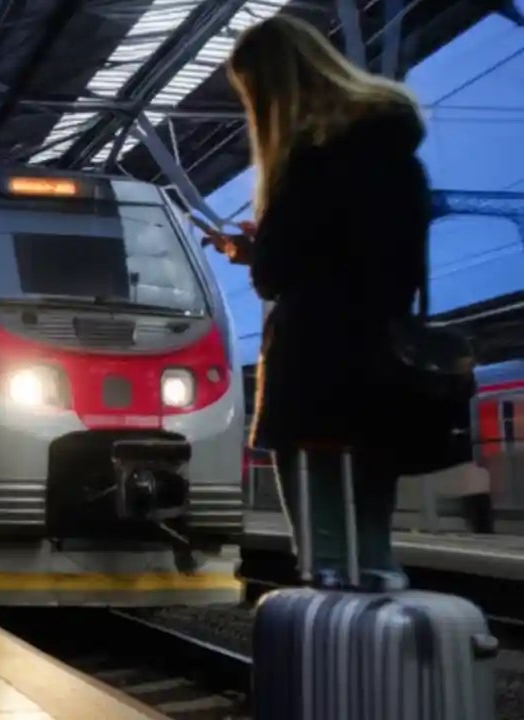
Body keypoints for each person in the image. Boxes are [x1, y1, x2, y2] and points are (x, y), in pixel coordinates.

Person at [206, 15, 431, 590]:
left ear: (272, 91)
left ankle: (341, 673)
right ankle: (392, 667)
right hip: (382, 379)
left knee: (327, 559)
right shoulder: (395, 150)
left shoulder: (309, 160)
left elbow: (278, 273)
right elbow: (394, 267)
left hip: (315, 382)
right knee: (374, 557)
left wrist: (252, 254)